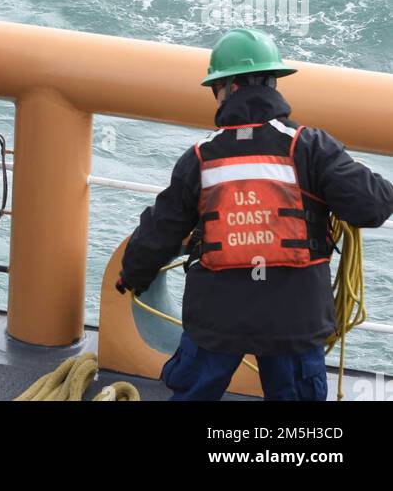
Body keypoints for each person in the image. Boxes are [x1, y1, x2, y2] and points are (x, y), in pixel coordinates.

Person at [116, 27, 393, 401]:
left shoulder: (199, 157)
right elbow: (371, 207)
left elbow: (161, 229)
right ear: (273, 83)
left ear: (228, 88)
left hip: (217, 321)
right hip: (293, 321)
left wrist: (133, 275)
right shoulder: (311, 147)